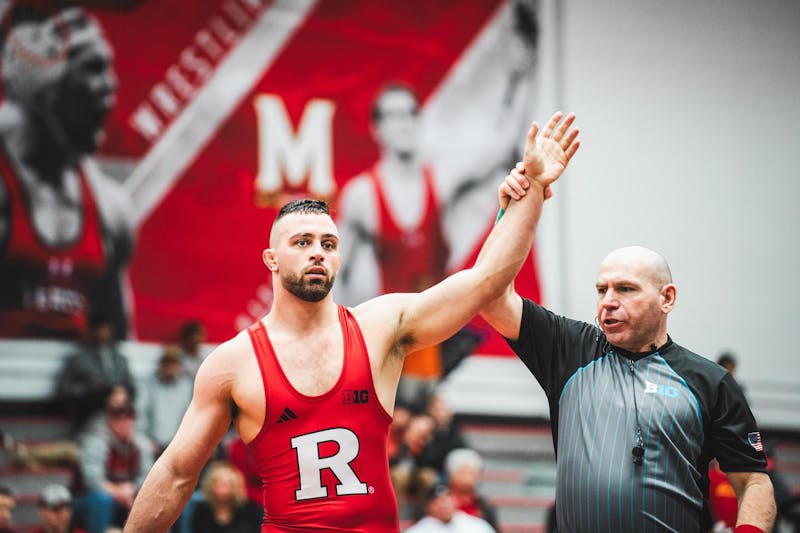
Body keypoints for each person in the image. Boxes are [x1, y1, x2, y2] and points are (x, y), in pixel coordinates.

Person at [121, 111, 580, 532]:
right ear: (271, 259)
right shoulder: (233, 363)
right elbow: (177, 475)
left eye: (327, 242)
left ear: (340, 257)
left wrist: (533, 190)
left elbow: (484, 282)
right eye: (301, 242)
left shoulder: (380, 327)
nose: (317, 250)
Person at [481, 170, 776, 532]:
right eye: (601, 289)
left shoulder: (710, 381)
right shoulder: (570, 349)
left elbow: (754, 483)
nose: (608, 302)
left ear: (666, 298)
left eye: (625, 289)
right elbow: (491, 297)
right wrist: (511, 215)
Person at [0, 5, 134, 340]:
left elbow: (117, 334)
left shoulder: (110, 208)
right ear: (45, 85)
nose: (110, 86)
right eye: (92, 68)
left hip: (71, 388)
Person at [74, 392, 154, 533]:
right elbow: (92, 480)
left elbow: (149, 476)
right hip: (90, 499)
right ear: (110, 420)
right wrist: (119, 492)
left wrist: (132, 488)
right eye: (119, 417)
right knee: (102, 500)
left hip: (127, 496)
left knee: (153, 501)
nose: (124, 422)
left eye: (129, 417)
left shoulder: (141, 443)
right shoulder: (96, 440)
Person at [56, 316, 136, 434]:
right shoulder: (79, 358)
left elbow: (131, 386)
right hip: (91, 413)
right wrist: (86, 389)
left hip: (117, 415)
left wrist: (120, 391)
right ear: (91, 331)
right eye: (99, 329)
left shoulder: (120, 358)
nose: (103, 333)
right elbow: (63, 389)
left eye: (106, 330)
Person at [137, 345, 193, 456]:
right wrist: (146, 443)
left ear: (180, 366)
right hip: (152, 446)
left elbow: (190, 418)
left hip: (178, 446)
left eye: (174, 364)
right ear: (160, 364)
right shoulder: (146, 385)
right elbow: (139, 417)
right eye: (167, 363)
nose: (170, 368)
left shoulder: (186, 387)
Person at [190, 462, 261, 533]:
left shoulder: (248, 510)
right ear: (210, 485)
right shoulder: (201, 510)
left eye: (226, 485)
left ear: (235, 487)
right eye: (218, 484)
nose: (222, 490)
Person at [443, 448, 498, 531]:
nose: (469, 478)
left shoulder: (484, 507)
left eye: (473, 473)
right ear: (451, 475)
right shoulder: (440, 504)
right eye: (463, 473)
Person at [404, 483, 494, 533]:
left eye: (447, 499)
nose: (444, 505)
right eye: (438, 502)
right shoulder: (420, 529)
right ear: (428, 507)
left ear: (455, 501)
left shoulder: (475, 525)